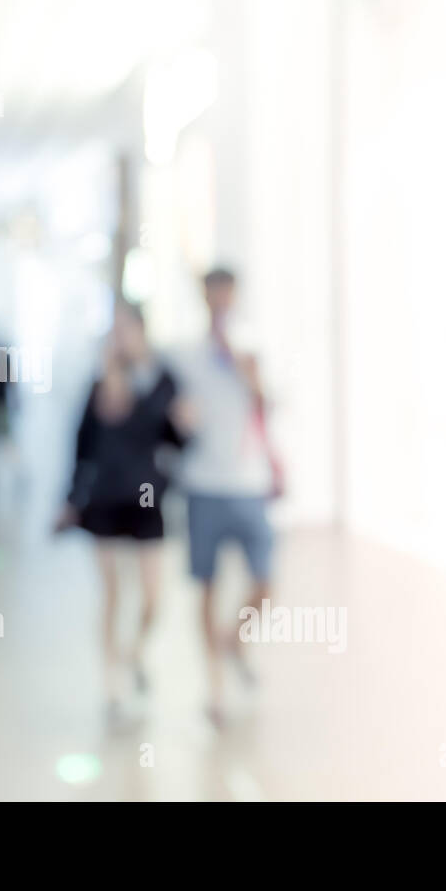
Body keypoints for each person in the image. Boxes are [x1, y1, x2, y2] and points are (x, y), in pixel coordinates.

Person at [56, 302, 187, 726]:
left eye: (128, 330)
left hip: (147, 500)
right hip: (106, 502)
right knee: (112, 594)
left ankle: (134, 653)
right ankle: (111, 683)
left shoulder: (162, 381)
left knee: (153, 598)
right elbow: (81, 447)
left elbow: (175, 438)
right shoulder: (99, 387)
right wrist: (72, 500)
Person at [170, 267, 282, 728]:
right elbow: (170, 412)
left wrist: (245, 370)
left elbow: (271, 403)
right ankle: (214, 687)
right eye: (212, 295)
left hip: (248, 483)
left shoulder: (252, 348)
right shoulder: (186, 356)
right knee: (207, 587)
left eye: (226, 295)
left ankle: (236, 639)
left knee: (264, 582)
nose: (220, 303)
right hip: (203, 485)